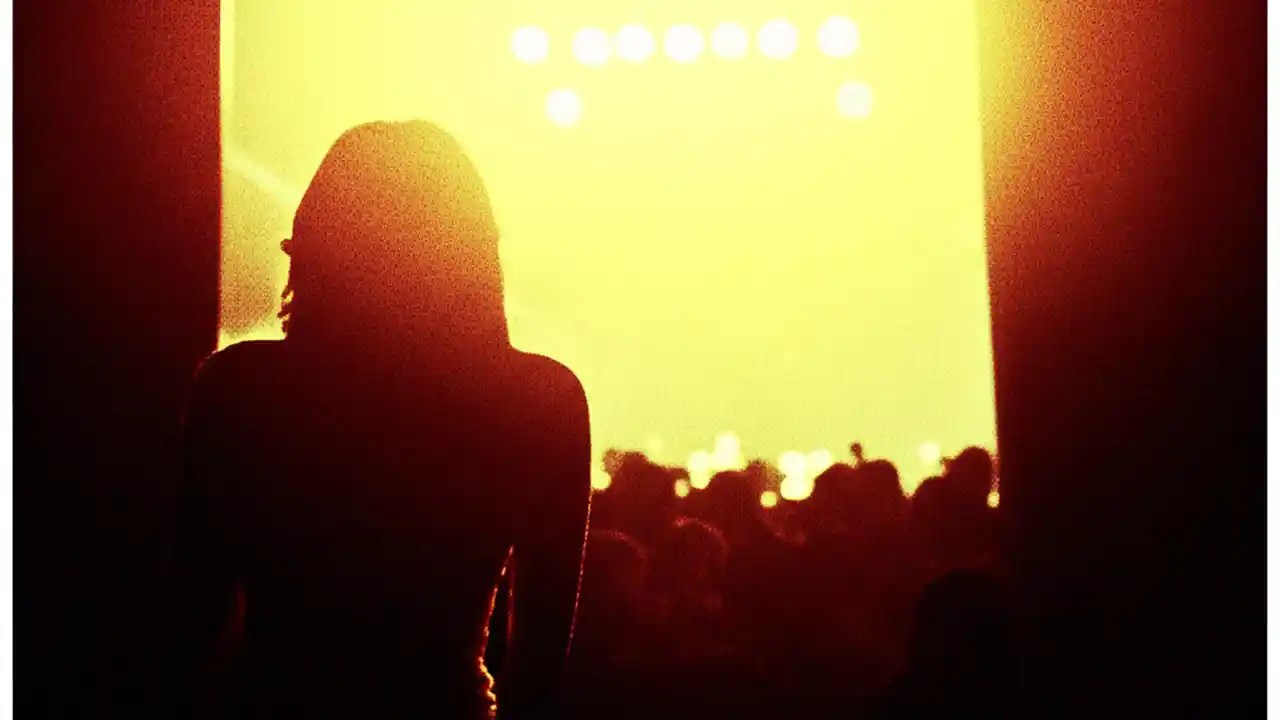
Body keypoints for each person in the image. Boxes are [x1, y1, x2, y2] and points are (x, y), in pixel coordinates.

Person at [169, 121, 591, 719]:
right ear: (472, 248)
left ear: (316, 241)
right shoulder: (540, 399)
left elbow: (192, 614)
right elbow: (540, 661)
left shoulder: (240, 386)